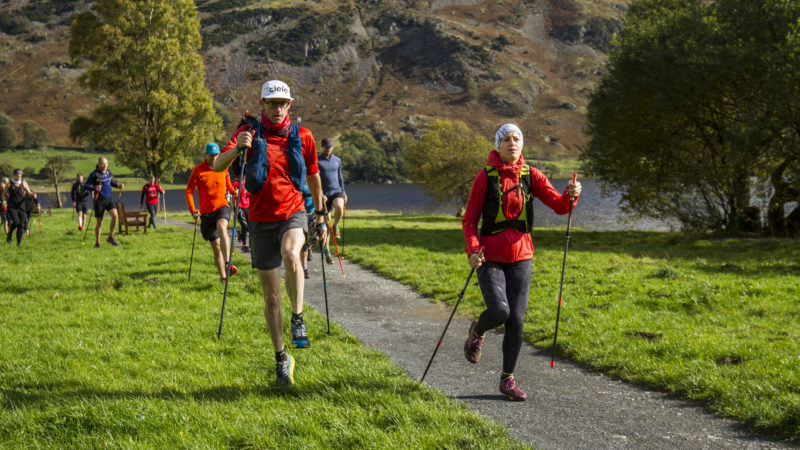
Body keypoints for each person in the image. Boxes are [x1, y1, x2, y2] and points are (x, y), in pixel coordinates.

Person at [216, 79, 326, 387]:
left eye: (283, 104)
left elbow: (314, 176)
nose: (277, 109)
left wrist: (320, 214)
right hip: (260, 219)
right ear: (262, 105)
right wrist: (238, 148)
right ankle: (281, 358)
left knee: (292, 254)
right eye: (271, 103)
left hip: (293, 212)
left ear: (290, 105)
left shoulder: (303, 136)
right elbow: (216, 166)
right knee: (271, 297)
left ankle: (298, 318)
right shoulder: (247, 134)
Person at [462, 123, 581, 402]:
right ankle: (477, 331)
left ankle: (507, 381)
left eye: (517, 139)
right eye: (506, 139)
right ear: (498, 145)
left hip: (522, 257)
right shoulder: (485, 177)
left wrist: (572, 194)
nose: (512, 143)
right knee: (500, 312)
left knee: (516, 320)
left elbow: (561, 206)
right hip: (489, 258)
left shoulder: (531, 175)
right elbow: (469, 220)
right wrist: (473, 249)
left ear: (522, 145)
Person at [317, 137, 347, 264]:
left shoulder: (337, 160)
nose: (329, 149)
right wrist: (319, 193)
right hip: (324, 194)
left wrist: (344, 192)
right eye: (326, 147)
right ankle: (327, 250)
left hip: (336, 190)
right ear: (322, 147)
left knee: (340, 207)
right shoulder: (317, 160)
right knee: (326, 225)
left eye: (330, 147)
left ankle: (336, 225)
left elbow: (340, 177)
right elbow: (315, 178)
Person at [85, 157, 124, 247]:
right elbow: (86, 185)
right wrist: (94, 188)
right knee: (100, 222)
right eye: (103, 164)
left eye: (106, 164)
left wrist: (118, 186)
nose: (105, 166)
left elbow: (111, 182)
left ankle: (111, 236)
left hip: (108, 198)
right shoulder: (94, 174)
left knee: (115, 216)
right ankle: (97, 242)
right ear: (98, 164)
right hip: (99, 200)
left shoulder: (108, 172)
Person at [2, 169, 37, 246]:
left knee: (21, 224)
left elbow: (29, 192)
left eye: (20, 175)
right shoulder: (9, 184)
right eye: (17, 176)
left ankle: (19, 243)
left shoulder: (23, 183)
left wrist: (33, 194)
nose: (19, 177)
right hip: (12, 206)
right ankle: (10, 233)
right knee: (17, 222)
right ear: (14, 175)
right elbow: (4, 194)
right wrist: (4, 202)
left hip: (21, 206)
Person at [230, 177, 250, 253]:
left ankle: (241, 234)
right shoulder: (235, 183)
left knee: (248, 226)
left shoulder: (248, 181)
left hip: (247, 206)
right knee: (245, 226)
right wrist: (235, 191)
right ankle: (245, 245)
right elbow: (232, 190)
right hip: (239, 207)